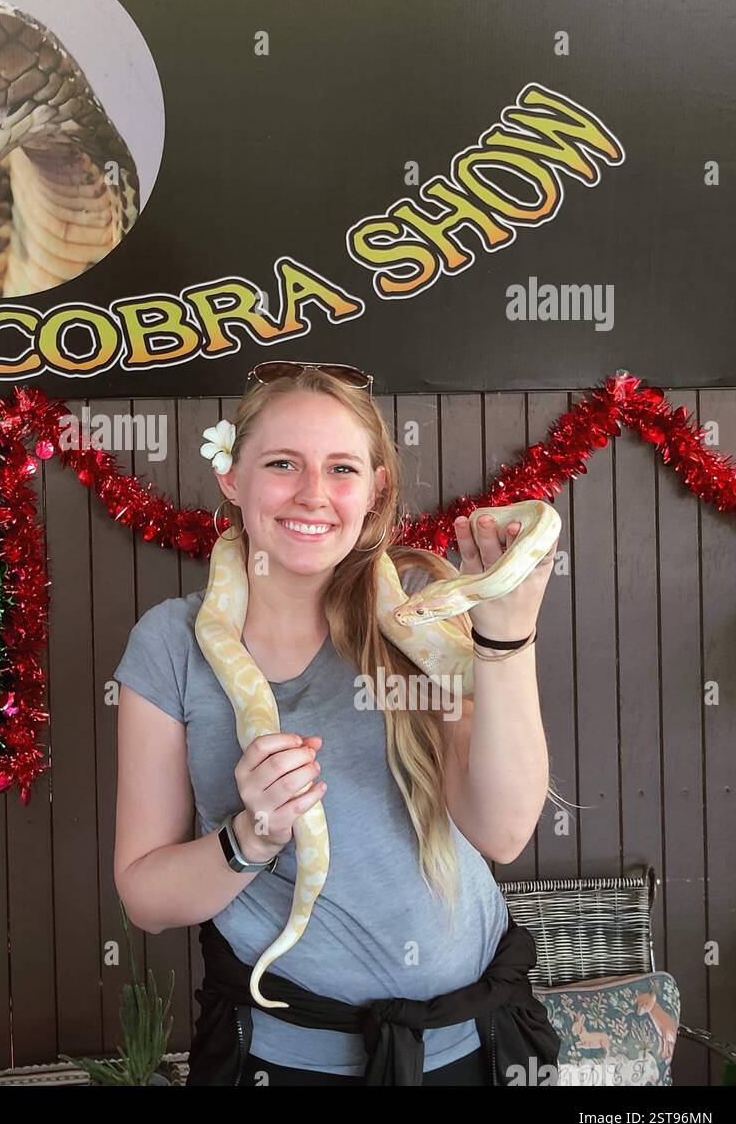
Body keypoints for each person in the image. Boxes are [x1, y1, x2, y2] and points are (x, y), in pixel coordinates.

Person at [112, 361, 565, 1085]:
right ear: (232, 477)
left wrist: (505, 638)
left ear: (375, 488)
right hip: (287, 1062)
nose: (314, 494)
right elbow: (145, 899)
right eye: (282, 463)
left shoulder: (421, 611)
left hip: (474, 1047)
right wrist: (250, 837)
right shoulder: (174, 643)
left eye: (342, 468)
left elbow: (505, 831)